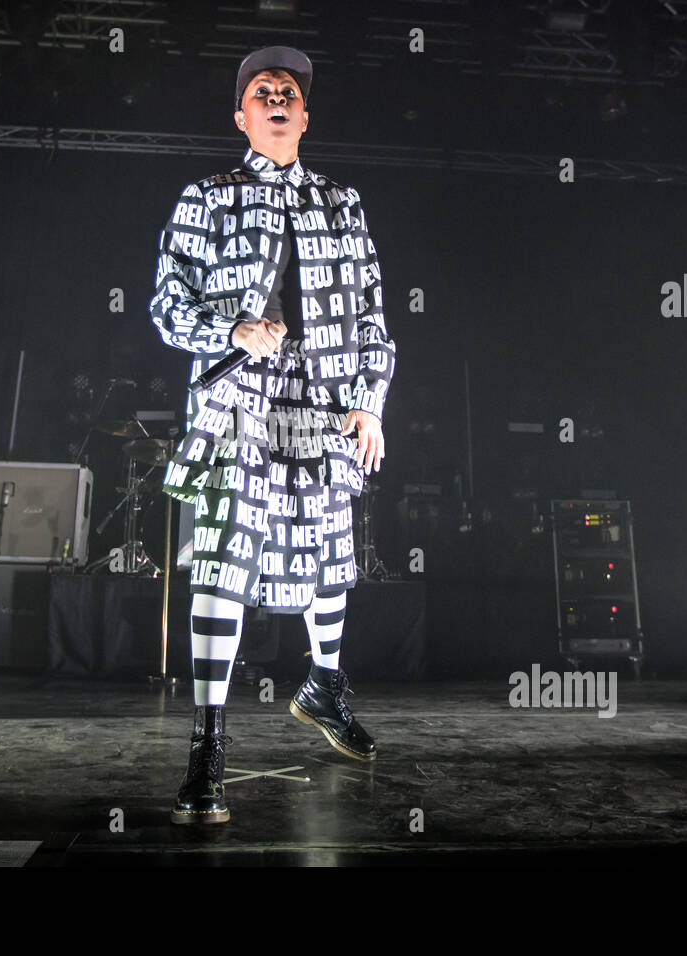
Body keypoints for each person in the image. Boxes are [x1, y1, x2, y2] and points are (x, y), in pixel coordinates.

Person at [149, 46, 397, 824]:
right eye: (264, 90)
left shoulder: (342, 202)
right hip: (236, 396)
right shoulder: (206, 196)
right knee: (224, 555)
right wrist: (230, 327)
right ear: (243, 117)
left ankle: (322, 686)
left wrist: (371, 401)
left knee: (329, 554)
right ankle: (207, 748)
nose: (279, 96)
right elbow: (164, 304)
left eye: (290, 91)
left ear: (305, 116)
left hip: (321, 397)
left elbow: (372, 316)